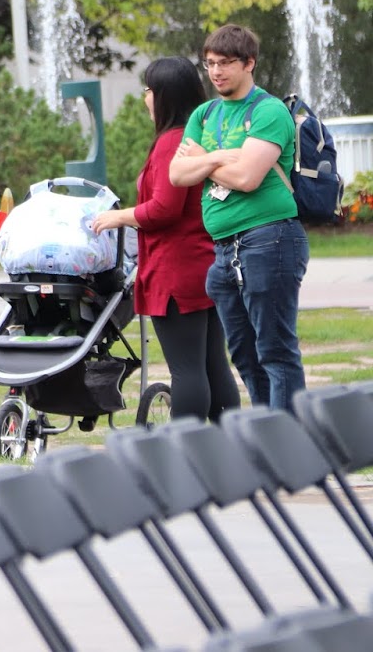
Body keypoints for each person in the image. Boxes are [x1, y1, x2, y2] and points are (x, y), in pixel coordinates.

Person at [91, 58, 241, 422]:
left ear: (163, 96)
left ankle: (187, 453)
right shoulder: (200, 137)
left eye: (147, 90)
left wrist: (118, 217)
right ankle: (231, 445)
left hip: (176, 270)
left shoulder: (170, 143)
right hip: (207, 263)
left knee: (187, 370)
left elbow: (163, 210)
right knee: (213, 364)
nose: (145, 98)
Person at [169, 24, 309, 411]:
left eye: (226, 63)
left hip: (269, 240)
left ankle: (290, 443)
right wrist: (217, 158)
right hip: (223, 250)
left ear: (250, 63)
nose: (216, 72)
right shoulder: (205, 113)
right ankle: (264, 439)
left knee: (275, 352)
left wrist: (200, 160)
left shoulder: (268, 111)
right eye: (210, 64)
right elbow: (177, 175)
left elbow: (247, 178)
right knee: (245, 355)